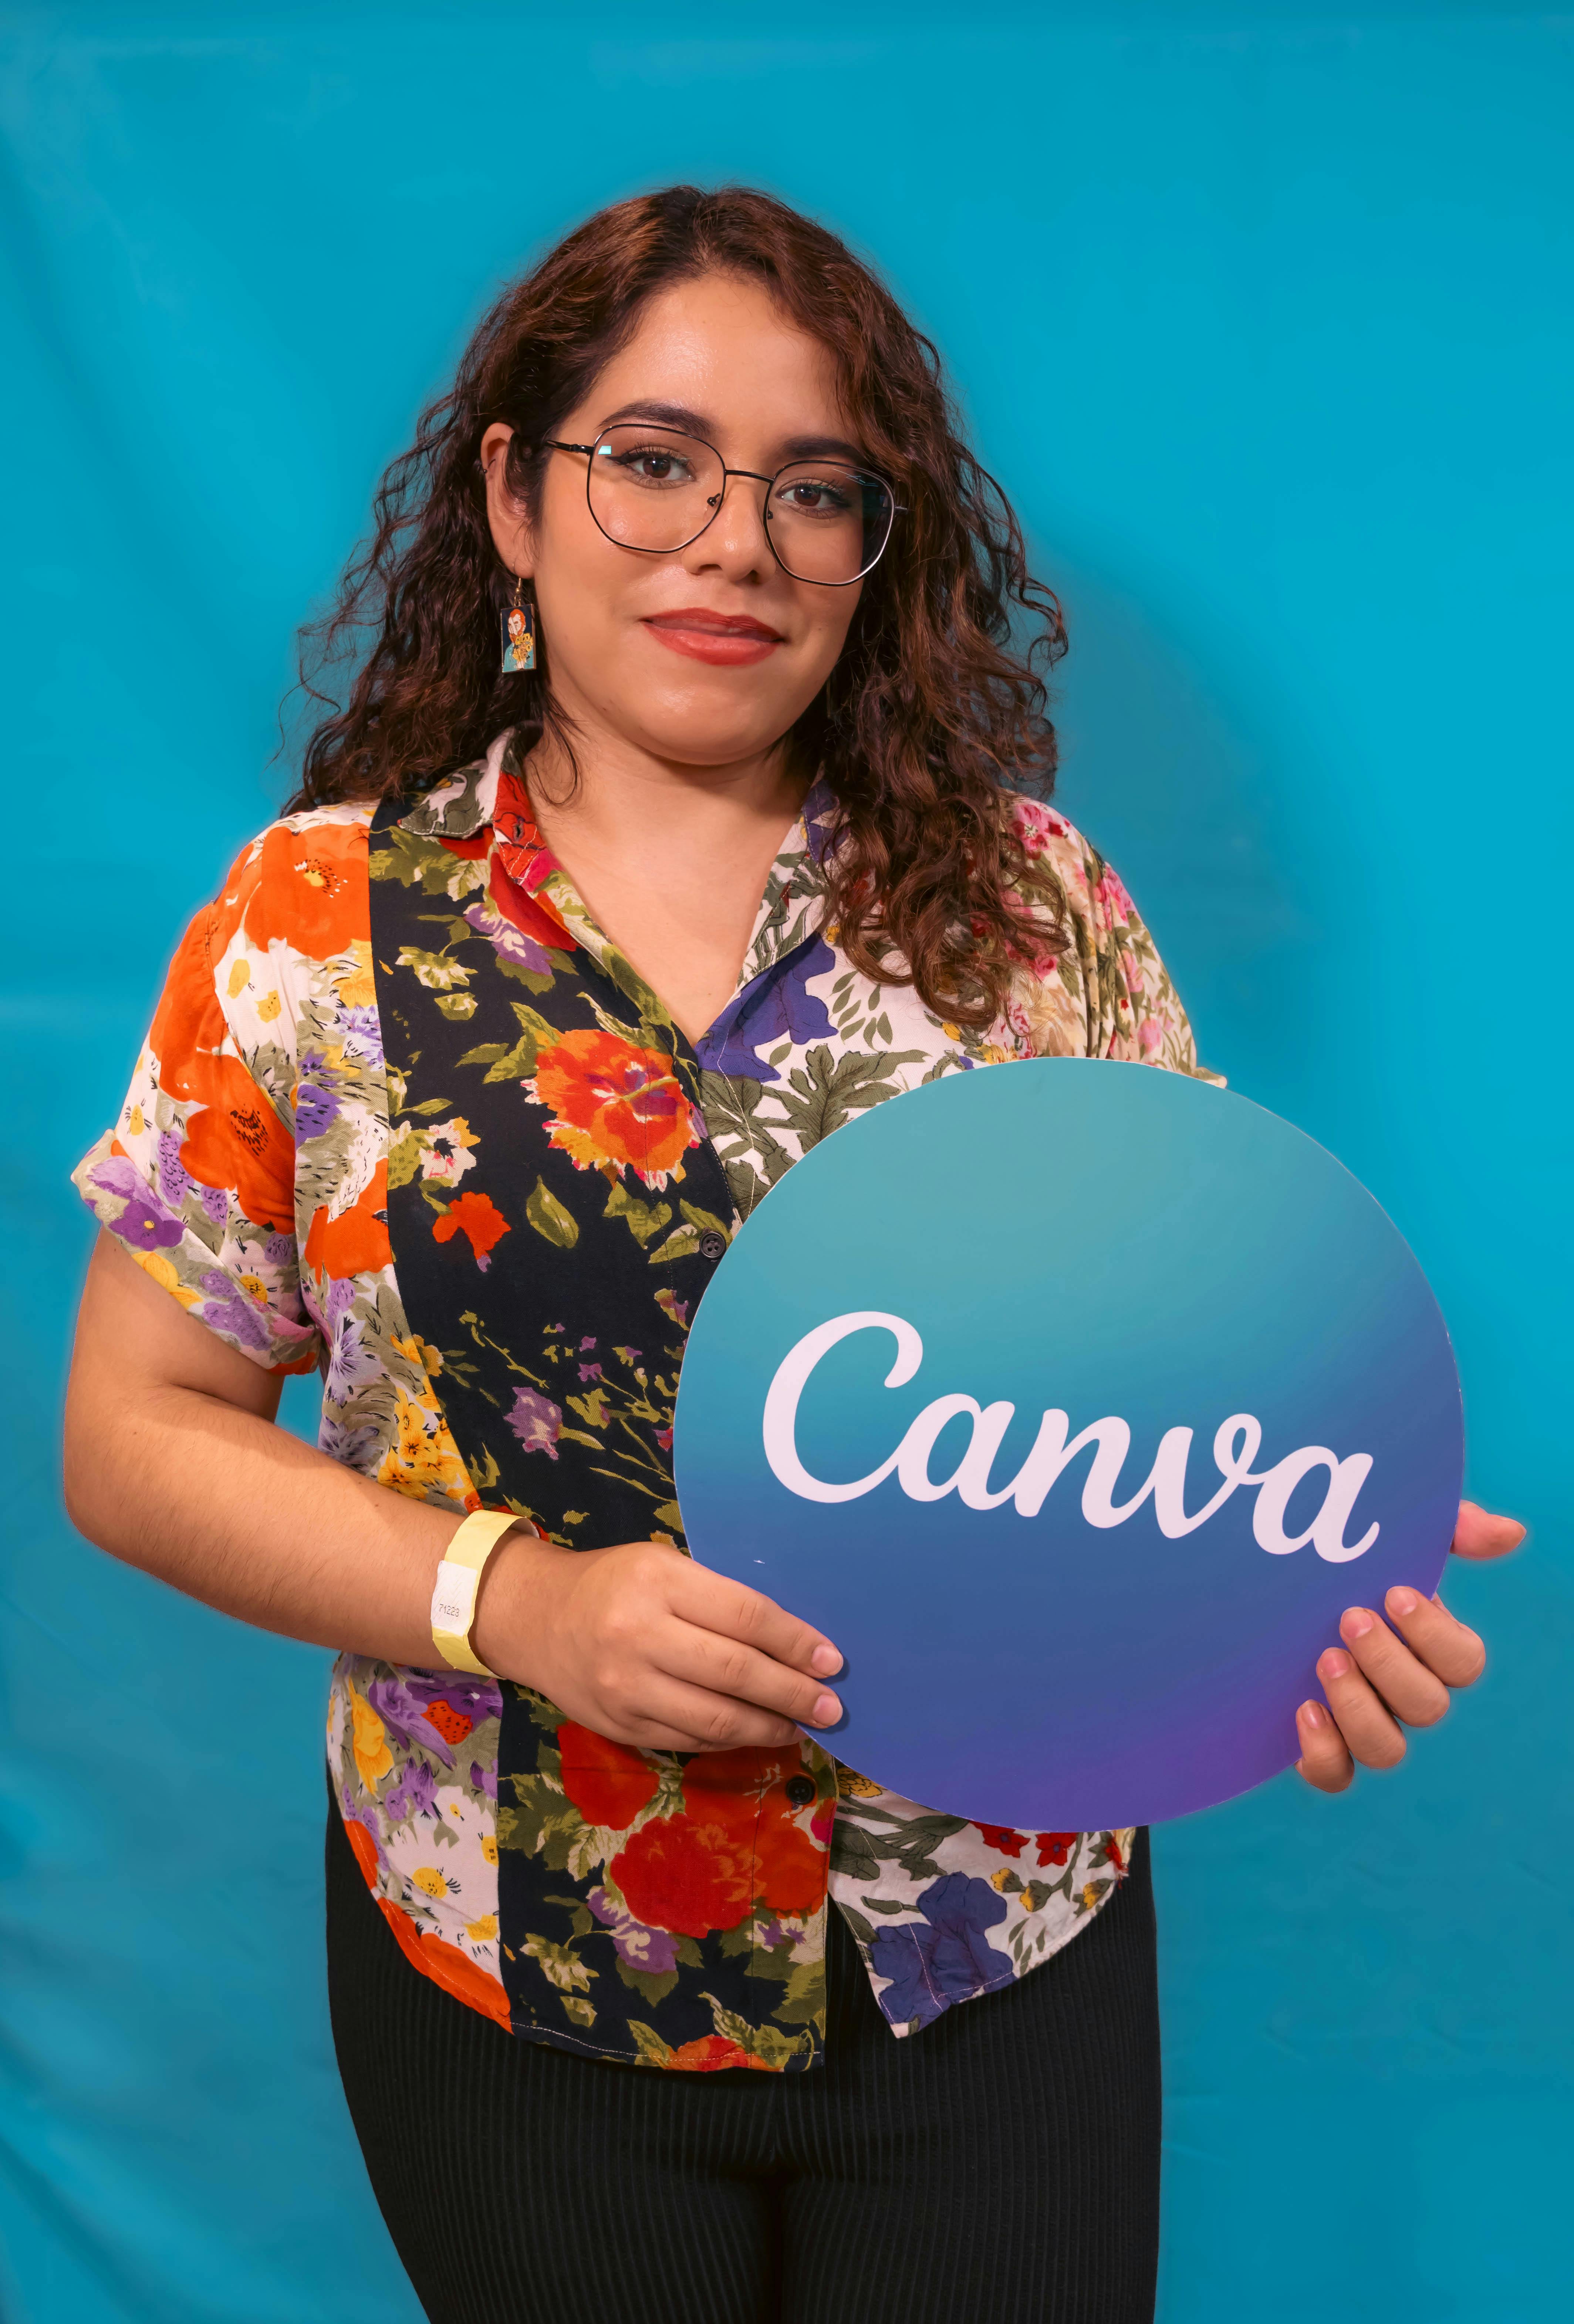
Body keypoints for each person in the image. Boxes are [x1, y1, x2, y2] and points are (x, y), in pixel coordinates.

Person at [61, 185, 1523, 2324]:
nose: (734, 544)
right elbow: (136, 1434)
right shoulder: (313, 932)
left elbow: (1185, 1401)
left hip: (993, 1963)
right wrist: (519, 1604)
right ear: (514, 502)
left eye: (812, 488)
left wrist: (1300, 1588)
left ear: (874, 547)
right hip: (517, 1971)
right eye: (653, 461)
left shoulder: (1035, 915)